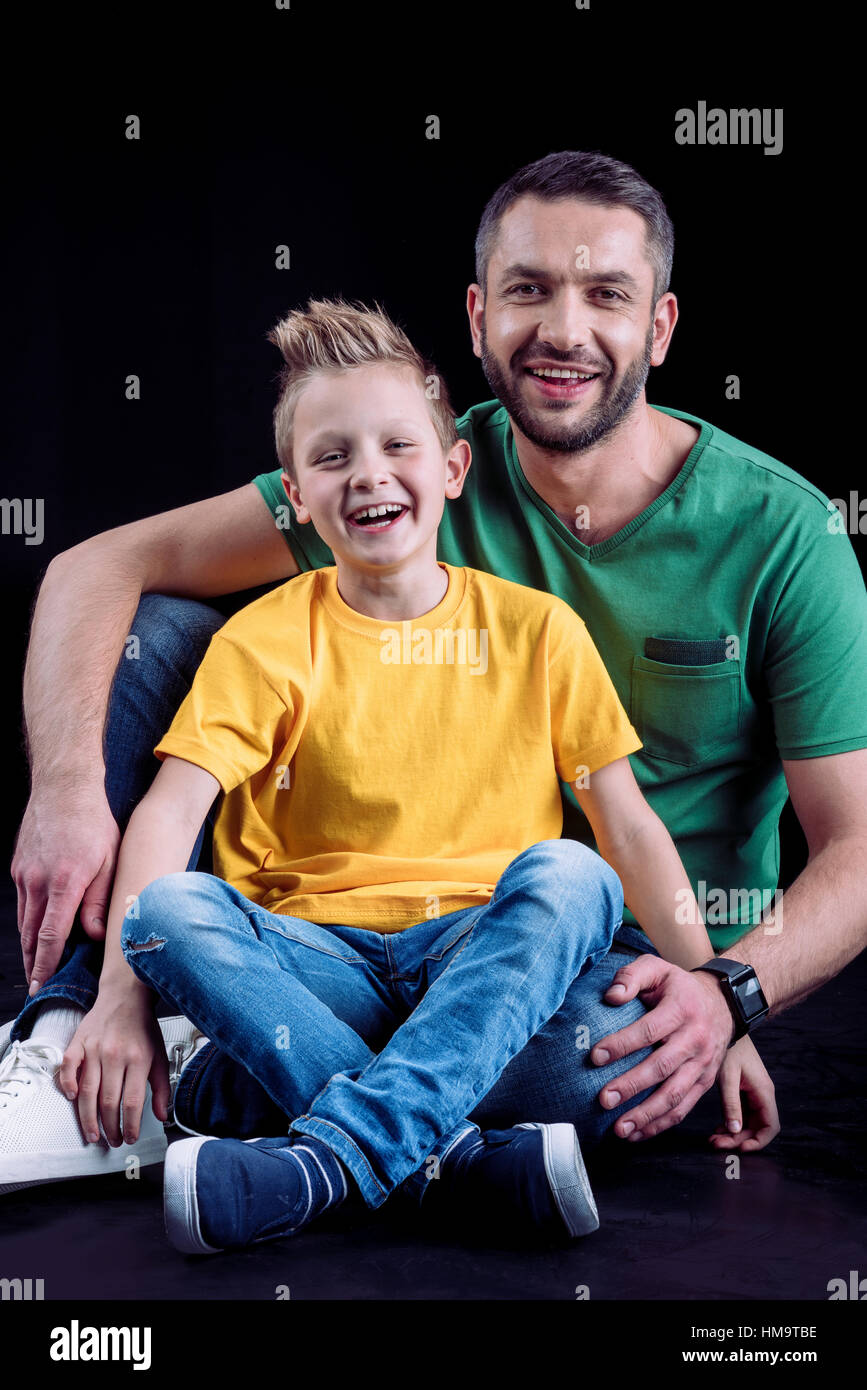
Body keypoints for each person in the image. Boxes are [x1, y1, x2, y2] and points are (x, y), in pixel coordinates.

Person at [6, 149, 865, 1185]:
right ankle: (79, 1038)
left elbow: (855, 849)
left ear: (661, 326)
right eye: (528, 289)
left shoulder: (781, 530)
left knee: (593, 1042)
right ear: (476, 316)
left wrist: (726, 996)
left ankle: (263, 1095)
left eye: (607, 294)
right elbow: (99, 566)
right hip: (332, 935)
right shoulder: (396, 454)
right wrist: (64, 790)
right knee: (159, 636)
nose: (564, 329)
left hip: (599, 965)